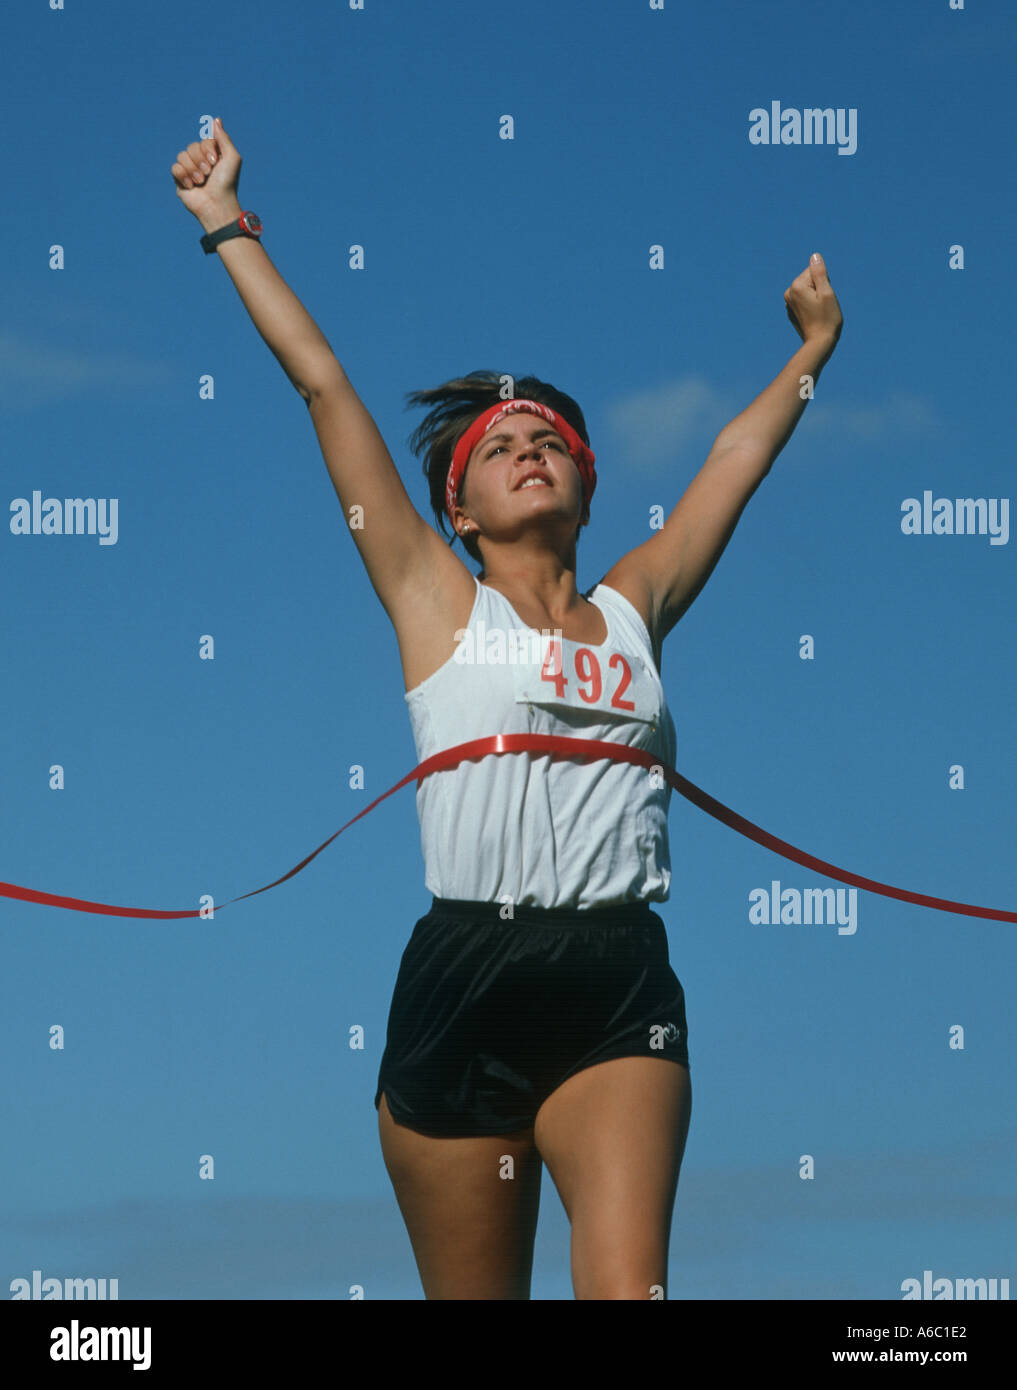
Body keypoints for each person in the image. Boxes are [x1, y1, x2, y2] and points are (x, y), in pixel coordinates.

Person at [172, 119, 844, 1301]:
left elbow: (737, 457)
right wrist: (228, 225)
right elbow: (323, 381)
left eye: (553, 443)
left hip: (617, 981)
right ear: (461, 511)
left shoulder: (638, 603)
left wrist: (814, 350)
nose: (532, 451)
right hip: (462, 976)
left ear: (586, 492)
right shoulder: (434, 600)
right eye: (502, 448)